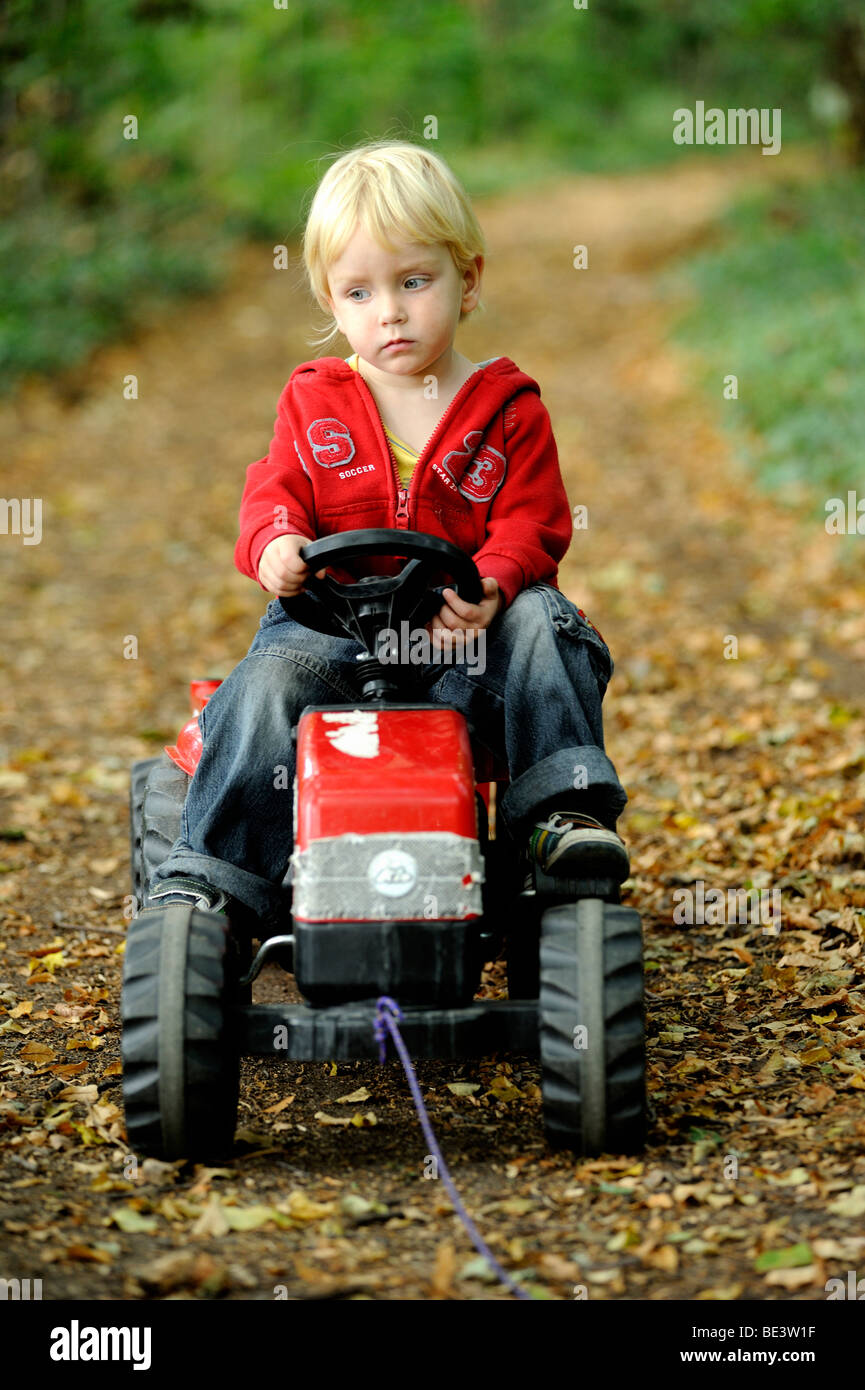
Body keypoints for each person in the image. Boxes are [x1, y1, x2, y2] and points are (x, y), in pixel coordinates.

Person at [146, 139, 629, 928]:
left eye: (413, 282)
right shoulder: (314, 401)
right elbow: (275, 489)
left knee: (548, 621)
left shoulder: (507, 408)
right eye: (360, 292)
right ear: (331, 303)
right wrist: (275, 543)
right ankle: (214, 874)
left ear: (466, 280)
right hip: (332, 638)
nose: (391, 312)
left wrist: (494, 584)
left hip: (462, 646)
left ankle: (558, 819)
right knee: (260, 686)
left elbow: (532, 519)